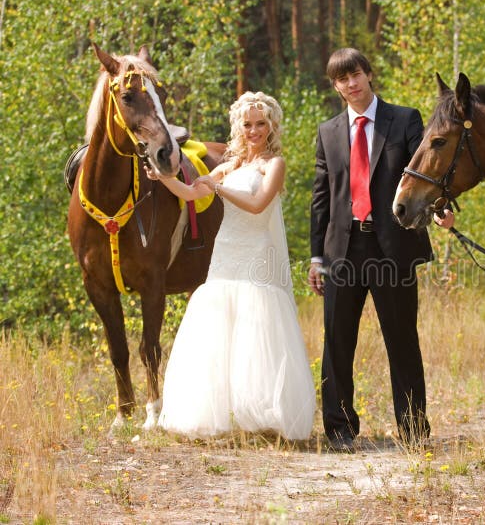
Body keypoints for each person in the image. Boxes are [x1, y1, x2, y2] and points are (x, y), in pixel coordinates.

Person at [156, 91, 315, 441]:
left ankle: (261, 417)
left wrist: (219, 188)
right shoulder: (231, 165)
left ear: (272, 125)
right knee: (220, 329)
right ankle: (218, 417)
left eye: (260, 124)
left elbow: (258, 204)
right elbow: (189, 194)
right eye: (247, 124)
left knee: (257, 329)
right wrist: (162, 175)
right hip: (225, 252)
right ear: (238, 127)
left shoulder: (274, 164)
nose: (254, 130)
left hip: (256, 252)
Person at [309, 47, 438, 452]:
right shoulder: (328, 132)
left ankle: (414, 431)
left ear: (369, 74)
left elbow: (427, 174)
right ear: (335, 86)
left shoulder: (404, 120)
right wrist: (316, 258)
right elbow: (320, 199)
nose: (351, 84)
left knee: (401, 340)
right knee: (337, 342)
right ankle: (340, 429)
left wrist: (439, 211)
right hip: (342, 252)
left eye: (356, 75)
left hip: (392, 247)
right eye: (341, 79)